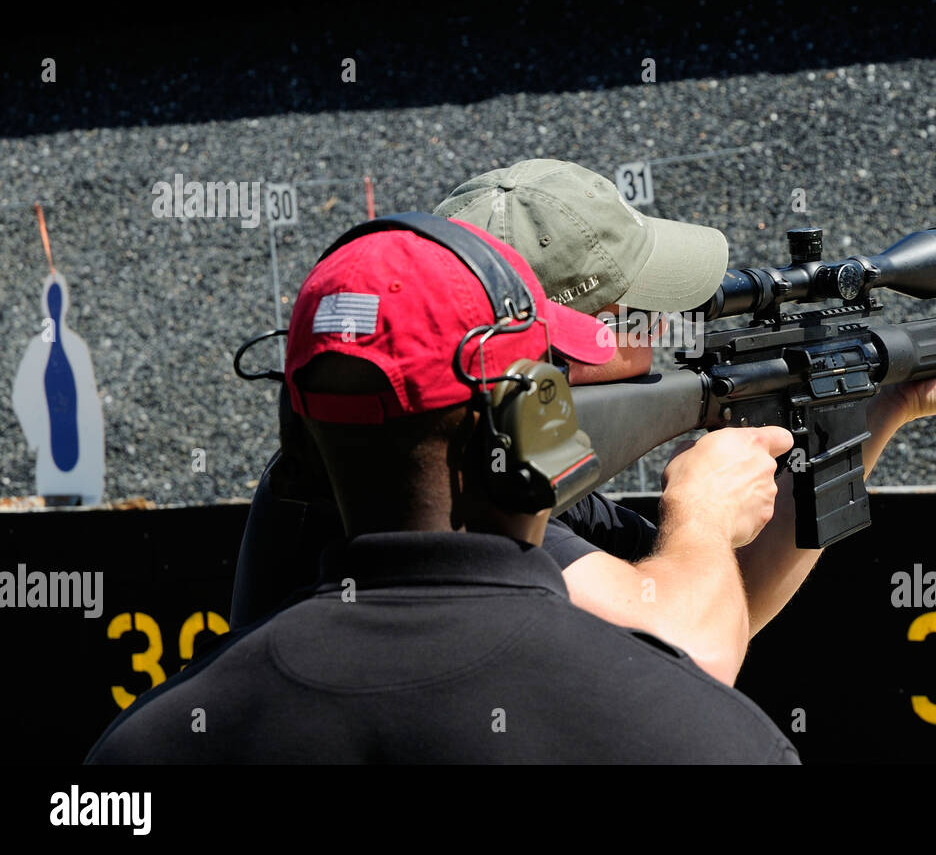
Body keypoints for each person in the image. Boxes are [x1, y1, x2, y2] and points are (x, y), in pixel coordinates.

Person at [233, 159, 936, 686]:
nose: (661, 326)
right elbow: (689, 647)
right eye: (629, 311)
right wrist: (699, 518)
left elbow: (723, 604)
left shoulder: (475, 452)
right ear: (550, 343)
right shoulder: (449, 484)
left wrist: (874, 411)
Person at [86, 217, 799, 763]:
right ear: (533, 427)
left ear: (298, 438)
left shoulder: (143, 746)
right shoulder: (709, 739)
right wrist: (701, 518)